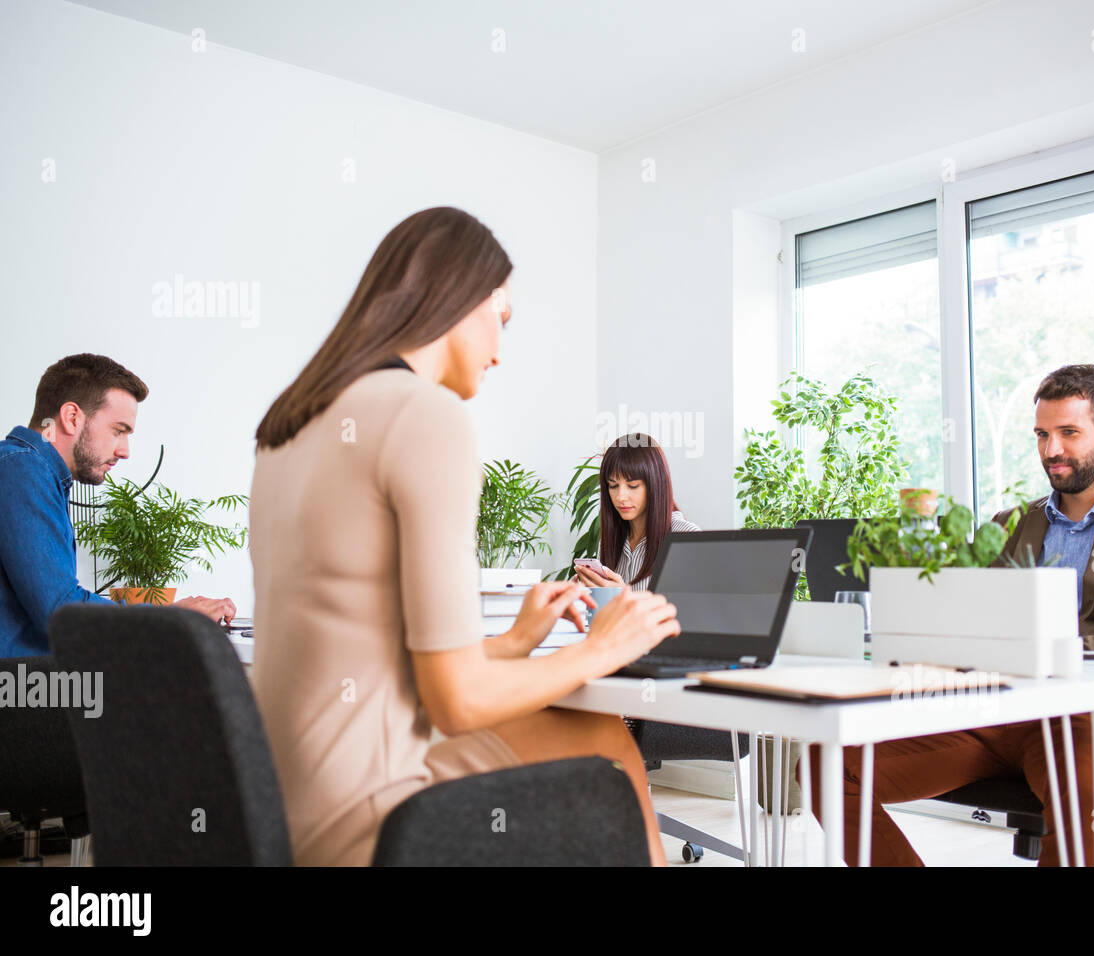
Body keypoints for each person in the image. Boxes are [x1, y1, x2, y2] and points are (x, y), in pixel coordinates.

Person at [248, 207, 681, 866]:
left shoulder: (289, 426)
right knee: (608, 744)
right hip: (363, 818)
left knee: (581, 734)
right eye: (500, 320)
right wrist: (601, 649)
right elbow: (456, 702)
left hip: (277, 799)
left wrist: (513, 642)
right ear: (453, 299)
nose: (501, 351)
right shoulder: (425, 416)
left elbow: (395, 676)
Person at [810, 363, 1094, 866]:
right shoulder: (1011, 523)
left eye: (1068, 433)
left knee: (1089, 802)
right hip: (993, 711)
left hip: (1083, 715)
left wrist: (1060, 651)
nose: (1051, 451)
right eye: (1042, 434)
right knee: (828, 763)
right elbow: (967, 617)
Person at [0, 354, 237, 657]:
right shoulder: (22, 469)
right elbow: (61, 614)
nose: (124, 451)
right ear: (72, 417)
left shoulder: (28, 470)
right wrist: (171, 617)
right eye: (118, 430)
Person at [571, 434, 700, 591]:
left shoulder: (685, 537)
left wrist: (625, 598)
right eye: (613, 485)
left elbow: (694, 612)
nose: (620, 497)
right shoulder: (612, 538)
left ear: (655, 485)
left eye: (632, 486)